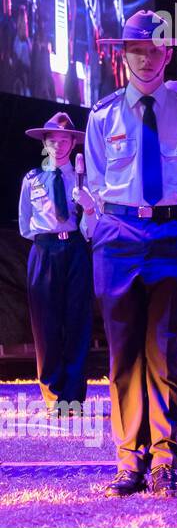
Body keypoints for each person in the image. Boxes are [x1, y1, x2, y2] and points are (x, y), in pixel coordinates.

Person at [82, 9, 177, 497]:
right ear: (122, 55)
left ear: (169, 53)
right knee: (122, 353)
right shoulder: (102, 115)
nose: (146, 59)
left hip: (170, 236)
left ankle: (165, 461)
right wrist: (102, 228)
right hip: (119, 236)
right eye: (136, 50)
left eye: (155, 49)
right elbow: (99, 185)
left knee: (164, 349)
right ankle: (129, 461)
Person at [18, 112, 92, 417]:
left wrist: (86, 206)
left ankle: (73, 396)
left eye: (65, 140)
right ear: (44, 143)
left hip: (76, 247)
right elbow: (25, 223)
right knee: (45, 326)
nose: (59, 146)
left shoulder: (84, 179)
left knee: (77, 323)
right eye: (53, 140)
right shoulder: (32, 179)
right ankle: (53, 396)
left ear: (73, 144)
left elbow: (92, 223)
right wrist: (45, 240)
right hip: (45, 249)